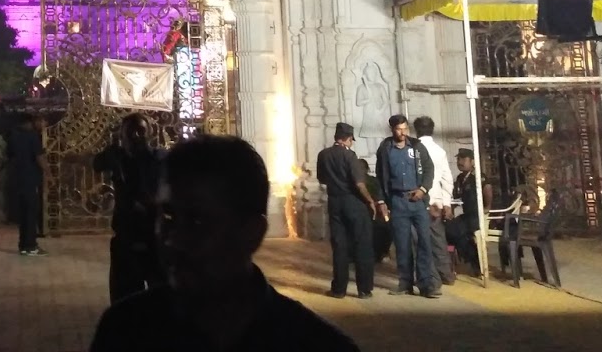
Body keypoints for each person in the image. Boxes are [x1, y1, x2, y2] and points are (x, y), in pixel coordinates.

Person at [88, 136, 358, 352]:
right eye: (168, 216)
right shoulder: (125, 332)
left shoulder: (311, 344)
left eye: (197, 221)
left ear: (252, 233)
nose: (173, 239)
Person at [92, 115, 164, 302]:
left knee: (162, 297)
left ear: (149, 132)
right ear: (122, 134)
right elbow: (97, 163)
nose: (136, 135)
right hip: (126, 234)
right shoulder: (117, 156)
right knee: (124, 298)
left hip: (154, 235)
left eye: (140, 130)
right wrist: (114, 149)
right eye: (130, 130)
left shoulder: (159, 158)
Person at [375, 114, 440, 298]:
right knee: (402, 244)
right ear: (392, 130)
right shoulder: (385, 149)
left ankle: (427, 284)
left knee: (424, 242)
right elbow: (381, 176)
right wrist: (382, 201)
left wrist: (423, 189)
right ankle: (405, 283)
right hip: (398, 201)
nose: (403, 133)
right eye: (399, 129)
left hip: (418, 201)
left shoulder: (418, 147)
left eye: (405, 129)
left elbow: (429, 169)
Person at [315, 122, 375, 299]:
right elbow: (359, 184)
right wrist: (370, 200)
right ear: (348, 139)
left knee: (340, 247)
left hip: (334, 203)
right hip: (354, 203)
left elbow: (322, 178)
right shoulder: (350, 156)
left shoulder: (323, 155)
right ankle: (364, 289)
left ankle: (339, 289)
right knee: (361, 245)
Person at [413, 116, 456, 287]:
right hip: (436, 203)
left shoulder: (413, 149)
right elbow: (447, 179)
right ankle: (446, 274)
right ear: (432, 129)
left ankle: (424, 276)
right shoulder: (439, 151)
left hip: (417, 201)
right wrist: (446, 202)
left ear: (416, 130)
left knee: (418, 242)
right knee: (438, 240)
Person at [5, 111, 46, 255]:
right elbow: (39, 158)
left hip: (17, 179)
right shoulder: (32, 137)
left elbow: (9, 155)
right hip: (30, 179)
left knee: (23, 213)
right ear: (30, 122)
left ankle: (23, 244)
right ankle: (30, 245)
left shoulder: (13, 136)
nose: (42, 125)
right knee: (30, 213)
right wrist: (49, 173)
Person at [445, 147, 483, 269]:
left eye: (464, 159)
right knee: (449, 229)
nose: (460, 162)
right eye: (458, 159)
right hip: (466, 216)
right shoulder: (460, 178)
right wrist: (449, 208)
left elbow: (488, 193)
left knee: (455, 231)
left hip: (476, 216)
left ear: (472, 161)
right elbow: (456, 198)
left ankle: (468, 259)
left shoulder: (477, 177)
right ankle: (466, 259)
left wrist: (486, 211)